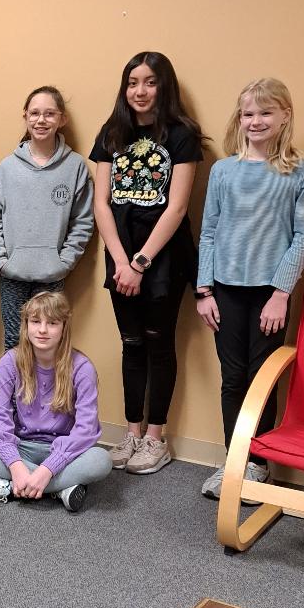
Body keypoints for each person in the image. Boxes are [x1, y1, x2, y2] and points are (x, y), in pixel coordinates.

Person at [195, 78, 304, 499]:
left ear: (284, 116)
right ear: (239, 119)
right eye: (248, 113)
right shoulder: (224, 171)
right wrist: (203, 290)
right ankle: (233, 461)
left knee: (263, 379)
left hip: (269, 294)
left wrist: (281, 293)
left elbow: (303, 237)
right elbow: (208, 232)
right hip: (224, 289)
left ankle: (257, 463)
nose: (256, 121)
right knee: (234, 378)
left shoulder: (301, 171)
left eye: (266, 112)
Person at [89, 51, 205, 474]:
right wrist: (121, 261)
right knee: (131, 344)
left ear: (164, 86)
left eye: (150, 82)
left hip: (162, 256)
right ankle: (132, 432)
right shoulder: (112, 132)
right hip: (119, 254)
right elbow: (101, 204)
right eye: (133, 82)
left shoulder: (181, 135)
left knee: (159, 344)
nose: (140, 90)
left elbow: (176, 208)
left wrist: (140, 263)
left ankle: (157, 438)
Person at [0, 292, 110, 512]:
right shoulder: (11, 361)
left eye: (52, 323)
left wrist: (48, 468)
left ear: (64, 327)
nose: (42, 330)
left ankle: (9, 487)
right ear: (26, 325)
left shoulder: (82, 367)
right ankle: (59, 490)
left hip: (64, 449)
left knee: (101, 460)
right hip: (22, 447)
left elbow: (86, 431)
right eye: (36, 321)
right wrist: (16, 465)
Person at [0, 86, 94, 350]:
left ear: (62, 119)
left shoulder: (75, 167)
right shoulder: (7, 168)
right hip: (11, 273)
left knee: (47, 343)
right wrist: (1, 260)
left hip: (51, 274)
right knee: (14, 341)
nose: (41, 120)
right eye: (34, 113)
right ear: (25, 117)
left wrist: (64, 262)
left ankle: (45, 393)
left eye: (49, 114)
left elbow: (83, 221)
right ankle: (17, 393)